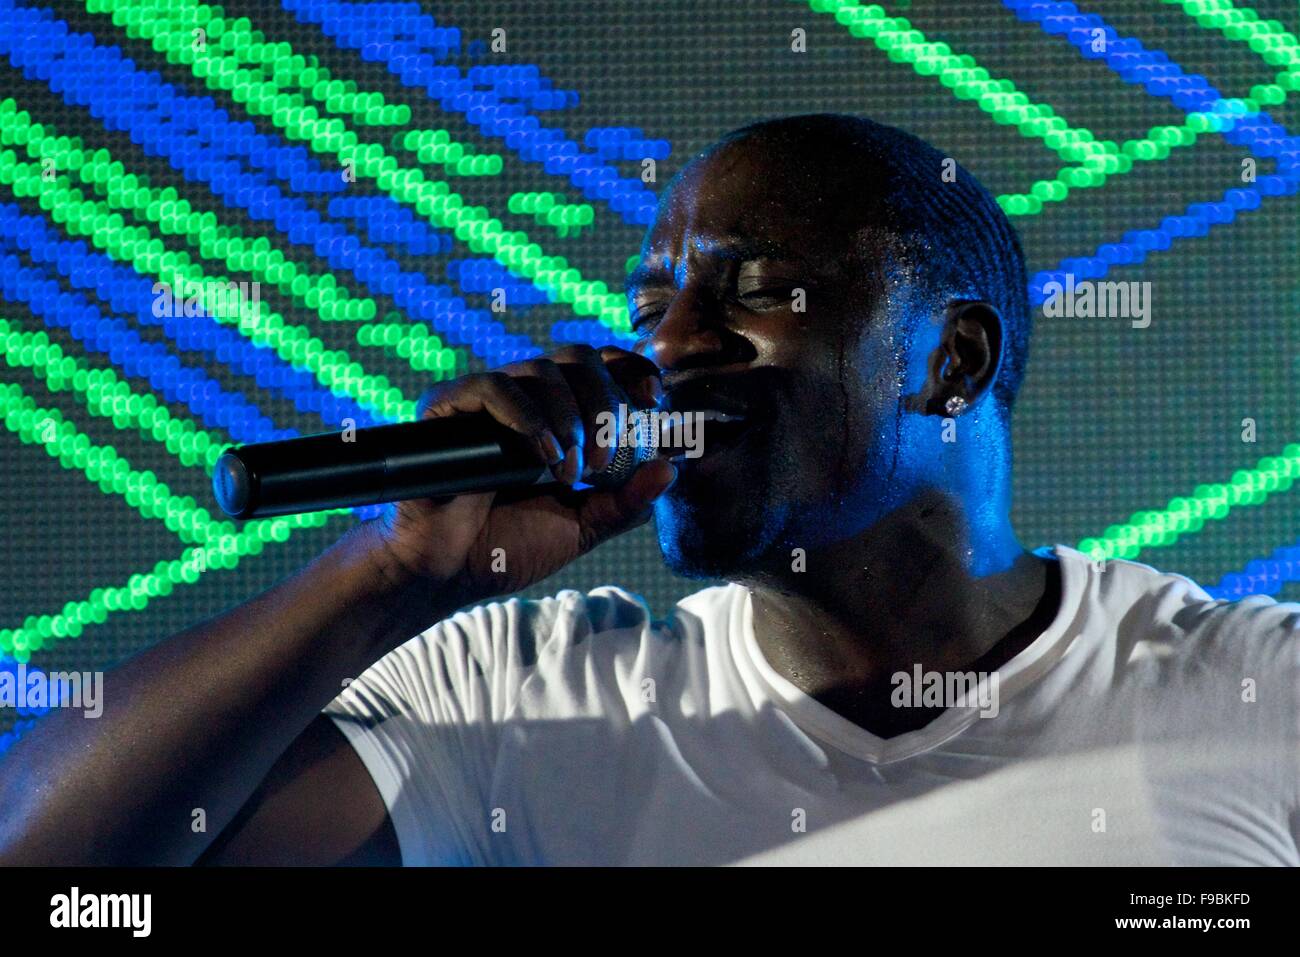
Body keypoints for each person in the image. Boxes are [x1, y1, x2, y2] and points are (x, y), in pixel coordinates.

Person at [1, 113, 1297, 866]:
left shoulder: (1260, 695)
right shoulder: (525, 697)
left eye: (749, 290)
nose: (668, 345)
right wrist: (386, 571)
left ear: (949, 360)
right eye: (650, 302)